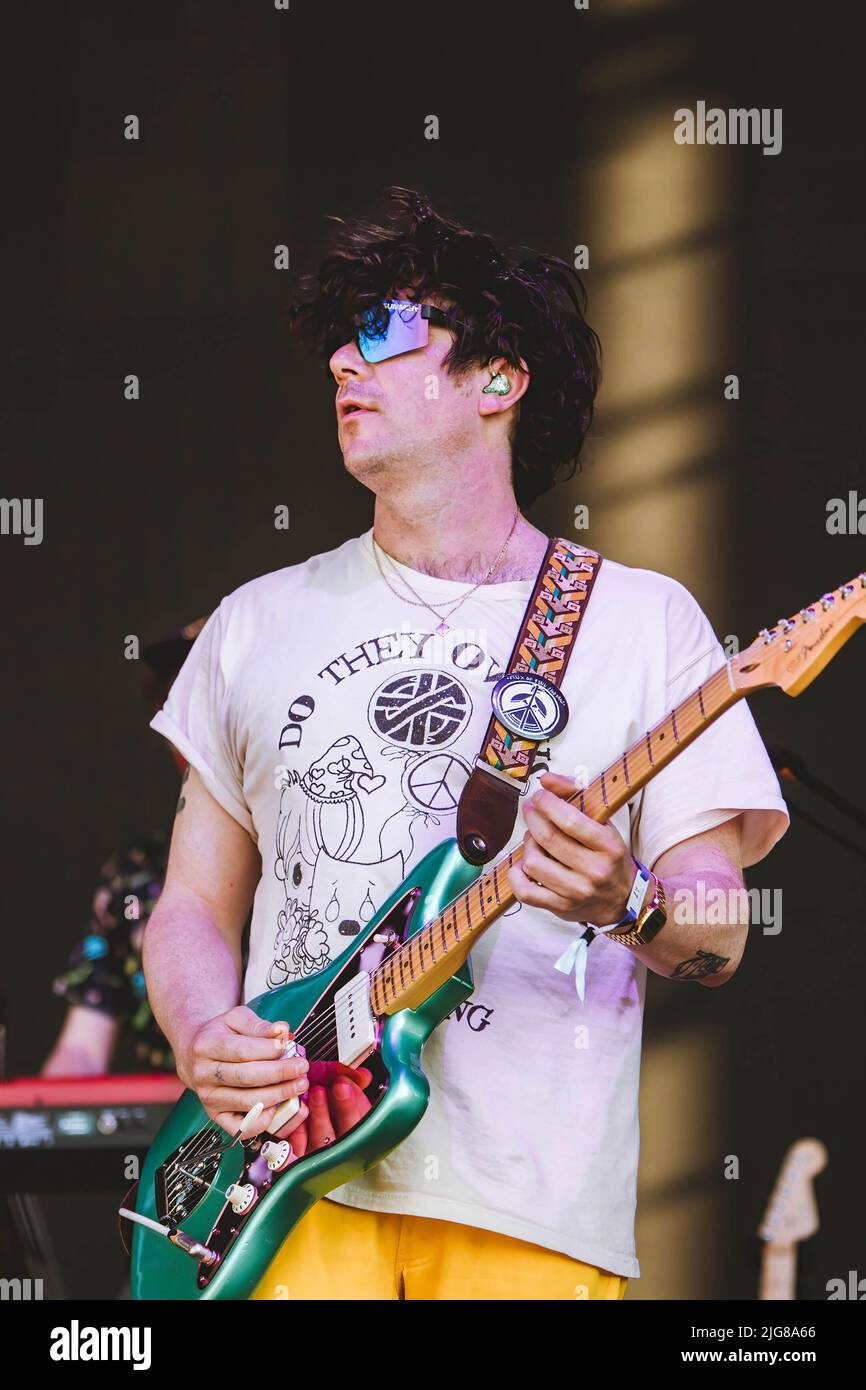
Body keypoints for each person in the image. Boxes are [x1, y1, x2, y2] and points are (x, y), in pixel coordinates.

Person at [142, 187, 789, 1300]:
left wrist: (622, 899)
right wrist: (206, 1031)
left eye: (385, 334)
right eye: (341, 342)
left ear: (498, 379)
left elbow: (719, 927)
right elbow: (193, 906)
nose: (347, 364)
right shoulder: (256, 619)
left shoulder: (641, 622)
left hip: (525, 1207)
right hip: (288, 1194)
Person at [43, 622, 207, 1077]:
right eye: (177, 712)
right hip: (183, 1139)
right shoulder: (137, 874)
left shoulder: (323, 853)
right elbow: (81, 1049)